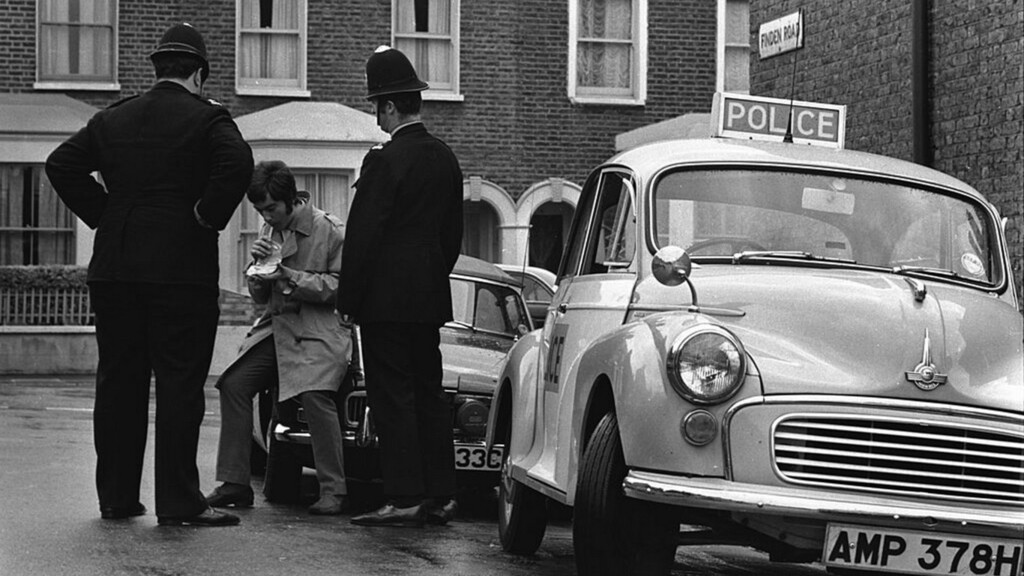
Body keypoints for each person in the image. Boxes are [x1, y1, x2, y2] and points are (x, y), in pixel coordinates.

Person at [45, 22, 253, 527]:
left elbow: (60, 163)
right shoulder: (208, 119)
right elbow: (239, 163)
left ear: (158, 69)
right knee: (180, 384)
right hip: (180, 272)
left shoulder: (114, 117)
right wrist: (206, 214)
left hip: (115, 269)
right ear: (199, 74)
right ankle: (179, 502)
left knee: (119, 382)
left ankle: (117, 497)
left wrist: (106, 214)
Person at [337, 46, 463, 528]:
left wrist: (348, 299)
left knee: (392, 399)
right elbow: (452, 238)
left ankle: (405, 495)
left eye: (377, 108)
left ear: (390, 107)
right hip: (428, 299)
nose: (377, 118)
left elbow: (365, 237)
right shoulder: (444, 158)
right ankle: (441, 494)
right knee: (429, 395)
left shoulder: (384, 161)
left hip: (384, 304)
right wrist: (430, 276)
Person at [205, 160, 351, 516]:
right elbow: (259, 297)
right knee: (234, 385)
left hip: (318, 330)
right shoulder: (270, 231)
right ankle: (235, 483)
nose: (266, 217)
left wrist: (288, 276)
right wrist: (256, 274)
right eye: (259, 210)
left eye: (271, 208)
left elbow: (341, 288)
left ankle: (334, 490)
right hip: (278, 328)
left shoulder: (329, 229)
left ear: (289, 199)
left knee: (316, 396)